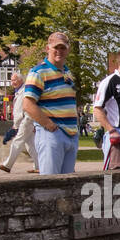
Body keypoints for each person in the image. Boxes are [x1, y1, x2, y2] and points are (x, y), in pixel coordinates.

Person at [23, 32, 80, 175]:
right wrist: (49, 125)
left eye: (63, 48)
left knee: (67, 184)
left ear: (68, 49)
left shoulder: (67, 72)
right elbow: (28, 104)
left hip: (70, 134)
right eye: (56, 47)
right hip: (52, 135)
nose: (59, 51)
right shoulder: (38, 72)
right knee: (50, 184)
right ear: (47, 48)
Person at [0, 73, 37, 174]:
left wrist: (16, 126)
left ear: (21, 80)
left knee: (17, 142)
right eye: (11, 80)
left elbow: (22, 109)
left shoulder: (24, 91)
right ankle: (39, 166)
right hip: (25, 121)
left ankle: (7, 165)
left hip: (26, 120)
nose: (12, 82)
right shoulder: (19, 91)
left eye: (15, 80)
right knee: (31, 146)